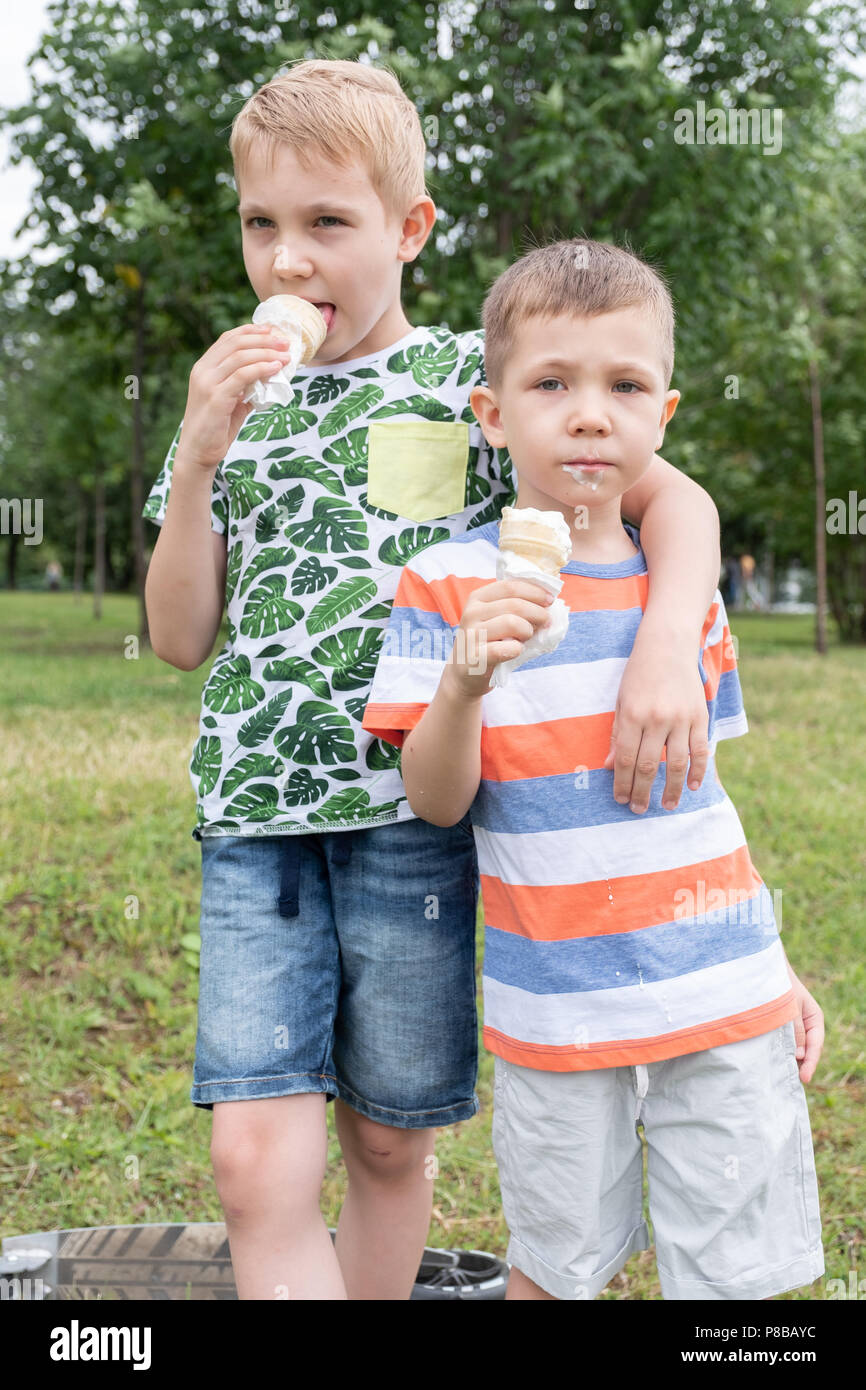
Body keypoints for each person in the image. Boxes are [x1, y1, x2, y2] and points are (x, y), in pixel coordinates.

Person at [144, 58, 734, 1301]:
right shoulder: (228, 404)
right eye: (261, 224)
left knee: (388, 1136)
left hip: (418, 816)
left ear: (409, 230)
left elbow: (665, 493)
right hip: (260, 818)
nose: (287, 261)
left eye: (326, 224)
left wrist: (666, 638)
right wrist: (198, 455)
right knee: (253, 1162)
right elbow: (178, 634)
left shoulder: (479, 380)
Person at [363, 236, 825, 1301]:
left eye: (623, 386)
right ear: (491, 413)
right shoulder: (443, 586)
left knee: (735, 1284)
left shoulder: (686, 596)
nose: (587, 413)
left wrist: (773, 963)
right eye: (551, 383)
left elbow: (697, 807)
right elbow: (436, 801)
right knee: (552, 1270)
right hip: (556, 1014)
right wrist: (465, 682)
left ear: (661, 416)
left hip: (721, 996)